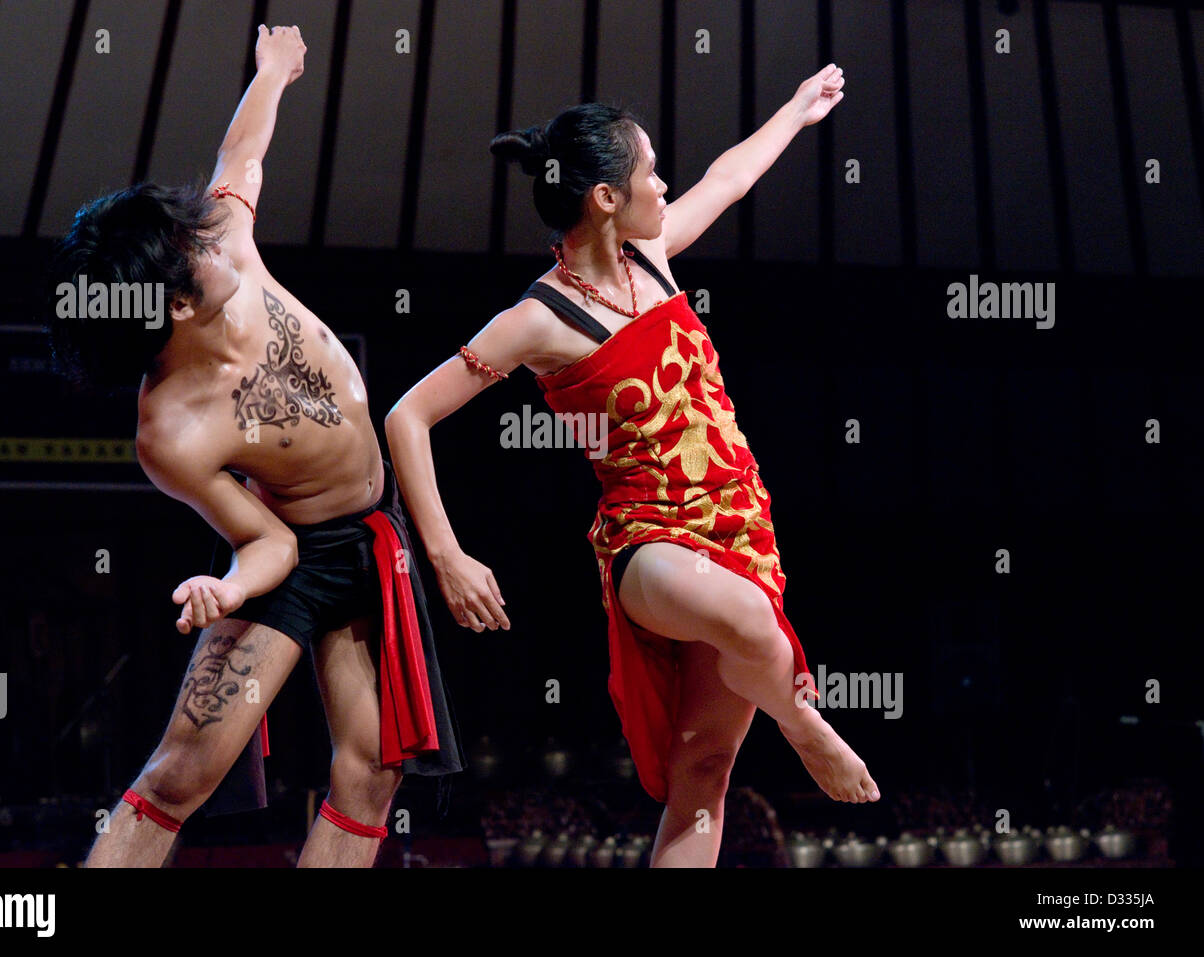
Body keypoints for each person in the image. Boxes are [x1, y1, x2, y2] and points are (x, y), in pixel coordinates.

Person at [385, 64, 876, 868]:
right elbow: (407, 414)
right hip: (648, 546)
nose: (665, 182)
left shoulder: (653, 253)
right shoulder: (536, 318)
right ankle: (806, 726)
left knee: (704, 773)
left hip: (742, 527)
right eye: (649, 170)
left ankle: (792, 719)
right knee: (754, 622)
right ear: (605, 197)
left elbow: (731, 176)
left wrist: (795, 112)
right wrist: (445, 554)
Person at [45, 25, 461, 868]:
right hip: (290, 553)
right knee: (180, 776)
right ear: (167, 310)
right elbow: (265, 539)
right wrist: (228, 585)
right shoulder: (172, 430)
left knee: (375, 771)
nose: (213, 233)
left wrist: (272, 71)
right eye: (190, 251)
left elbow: (245, 152)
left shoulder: (222, 241)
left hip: (372, 535)